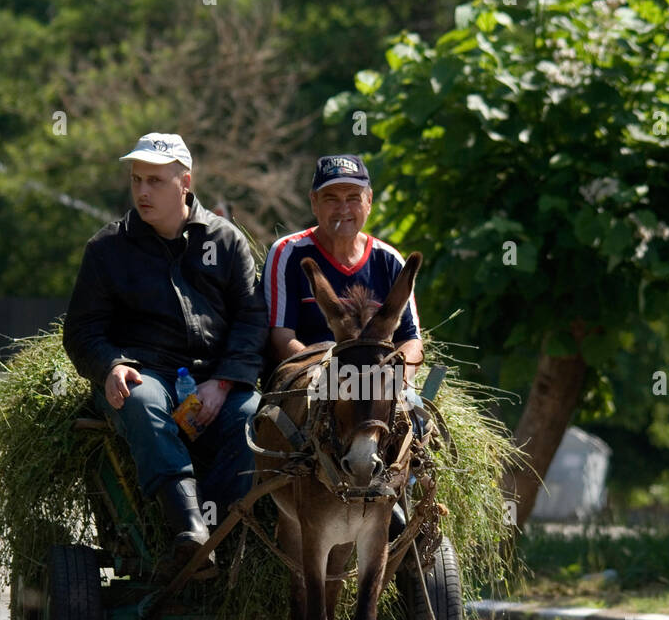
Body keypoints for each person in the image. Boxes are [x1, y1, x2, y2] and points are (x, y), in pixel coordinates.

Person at [63, 132, 267, 577]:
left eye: (155, 180)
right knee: (143, 401)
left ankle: (220, 538)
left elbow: (253, 323)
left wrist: (226, 382)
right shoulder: (107, 249)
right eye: (136, 179)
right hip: (144, 374)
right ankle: (190, 532)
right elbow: (81, 332)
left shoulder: (227, 242)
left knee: (251, 414)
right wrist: (111, 365)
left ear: (184, 182)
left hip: (215, 379)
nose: (141, 191)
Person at [262, 153, 426, 534]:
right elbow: (280, 336)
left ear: (369, 202)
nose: (343, 209)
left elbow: (412, 340)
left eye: (353, 198)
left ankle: (402, 505)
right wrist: (325, 375)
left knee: (417, 421)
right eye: (332, 198)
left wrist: (394, 378)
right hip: (311, 377)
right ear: (314, 203)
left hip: (378, 380)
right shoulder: (287, 254)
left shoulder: (388, 259)